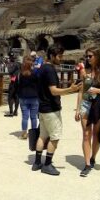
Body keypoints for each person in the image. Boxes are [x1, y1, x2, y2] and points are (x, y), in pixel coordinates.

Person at [32, 45, 81, 176]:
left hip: (42, 108)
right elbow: (53, 91)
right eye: (59, 56)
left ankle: (37, 162)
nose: (61, 58)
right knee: (55, 137)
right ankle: (47, 164)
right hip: (51, 109)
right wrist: (71, 90)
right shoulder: (50, 70)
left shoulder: (42, 68)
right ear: (52, 56)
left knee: (42, 135)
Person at [75, 48, 100, 177]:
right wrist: (78, 108)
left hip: (99, 106)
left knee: (96, 135)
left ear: (97, 57)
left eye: (90, 56)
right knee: (86, 135)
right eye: (86, 56)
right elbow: (81, 91)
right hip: (86, 105)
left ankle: (92, 158)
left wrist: (99, 91)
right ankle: (86, 164)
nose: (88, 58)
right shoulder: (83, 71)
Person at [16, 55, 39, 140]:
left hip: (23, 97)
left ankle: (24, 134)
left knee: (25, 117)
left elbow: (16, 85)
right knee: (34, 117)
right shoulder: (35, 73)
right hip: (34, 97)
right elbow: (39, 85)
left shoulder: (20, 74)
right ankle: (34, 134)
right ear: (31, 63)